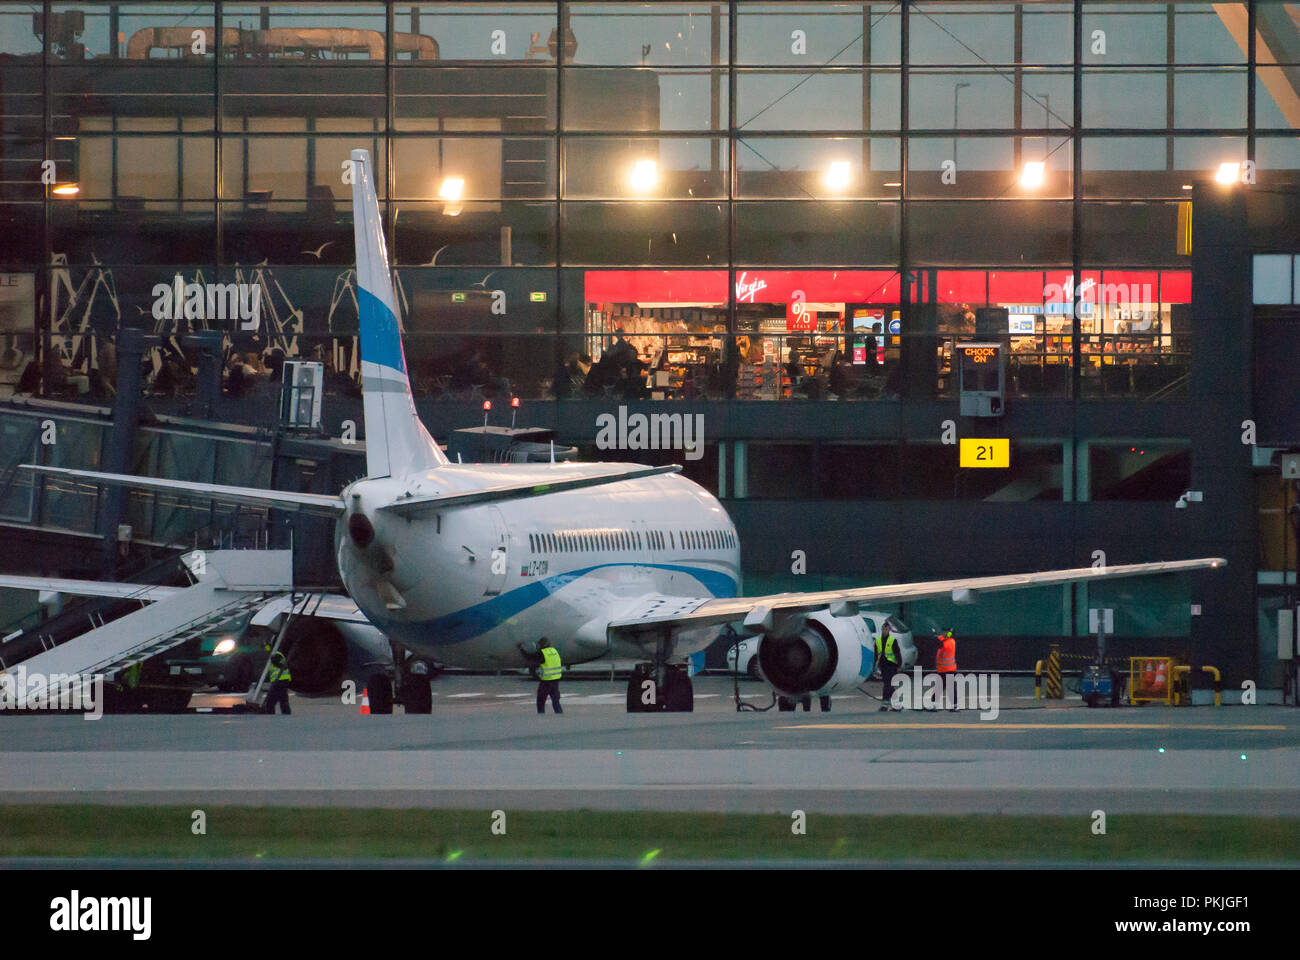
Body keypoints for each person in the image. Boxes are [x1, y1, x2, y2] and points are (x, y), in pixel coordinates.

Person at [534, 637, 563, 714]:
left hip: (546, 680)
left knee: (541, 699)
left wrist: (522, 650)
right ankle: (559, 714)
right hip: (556, 679)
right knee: (555, 700)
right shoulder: (554, 651)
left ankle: (541, 714)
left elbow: (532, 659)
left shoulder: (542, 653)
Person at [876, 624, 902, 710]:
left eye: (886, 629)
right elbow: (876, 654)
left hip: (891, 665)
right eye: (883, 629)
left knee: (887, 685)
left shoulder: (892, 640)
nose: (885, 631)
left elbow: (897, 653)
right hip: (883, 665)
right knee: (889, 685)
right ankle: (897, 704)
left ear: (889, 630)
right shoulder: (878, 640)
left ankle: (885, 705)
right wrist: (875, 665)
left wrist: (899, 665)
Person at [935, 629, 957, 711]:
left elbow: (941, 645)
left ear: (949, 634)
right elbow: (940, 639)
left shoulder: (950, 642)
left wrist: (936, 638)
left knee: (950, 688)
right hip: (942, 670)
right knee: (939, 687)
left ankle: (954, 706)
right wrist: (936, 636)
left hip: (949, 670)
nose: (943, 633)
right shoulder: (945, 639)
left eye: (945, 632)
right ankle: (934, 704)